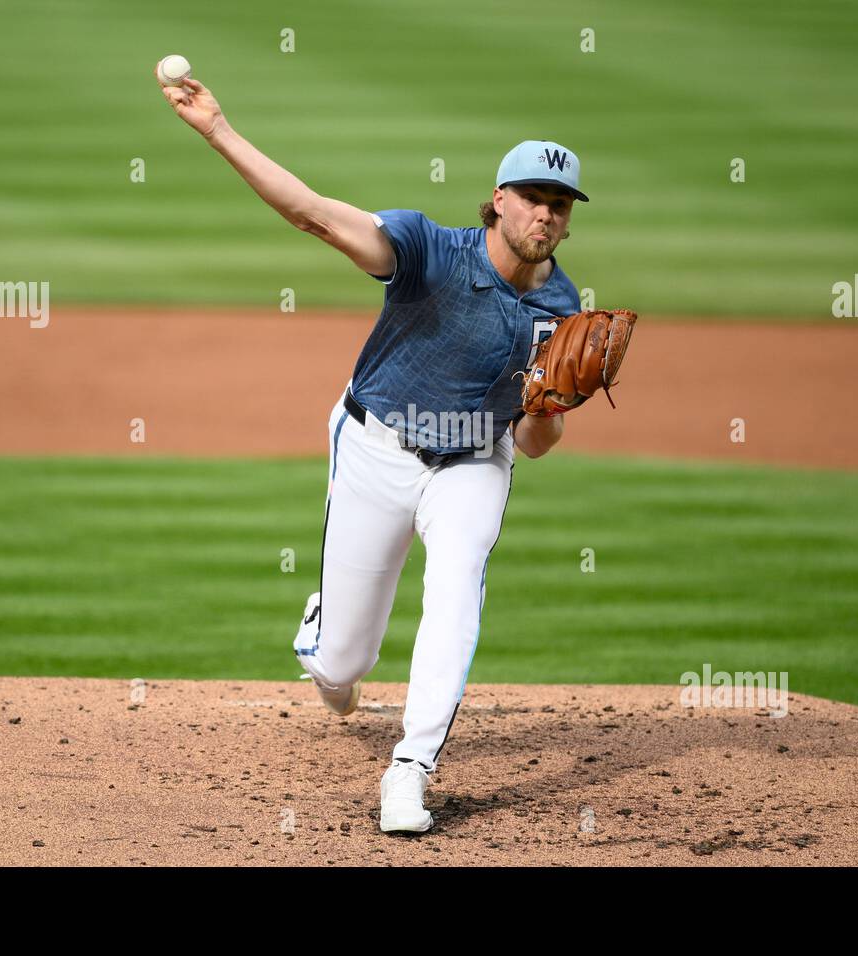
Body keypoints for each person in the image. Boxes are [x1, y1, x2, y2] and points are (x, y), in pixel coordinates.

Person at [160, 72, 586, 833]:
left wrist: (551, 407)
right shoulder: (427, 249)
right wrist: (218, 130)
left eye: (559, 205)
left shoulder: (563, 311)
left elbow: (533, 440)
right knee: (339, 669)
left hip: (473, 465)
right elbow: (316, 217)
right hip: (374, 447)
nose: (544, 215)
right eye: (531, 197)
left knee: (457, 587)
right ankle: (324, 635)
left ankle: (410, 770)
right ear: (498, 199)